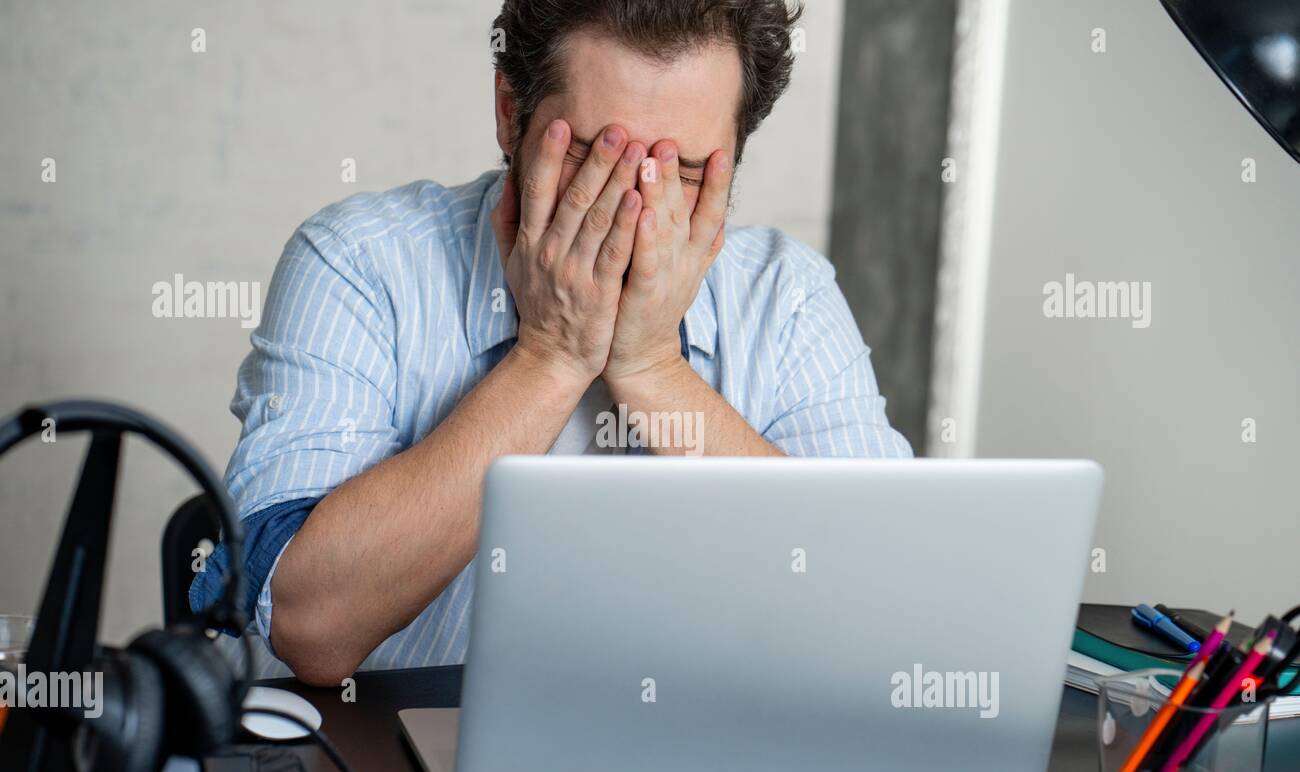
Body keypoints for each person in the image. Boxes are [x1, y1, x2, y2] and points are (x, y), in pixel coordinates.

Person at [192, 0, 912, 685]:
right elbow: (311, 625)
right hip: (364, 762)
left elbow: (888, 619)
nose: (632, 209)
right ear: (511, 113)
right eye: (594, 159)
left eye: (683, 173)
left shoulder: (788, 297)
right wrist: (552, 355)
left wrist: (653, 368)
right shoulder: (358, 262)